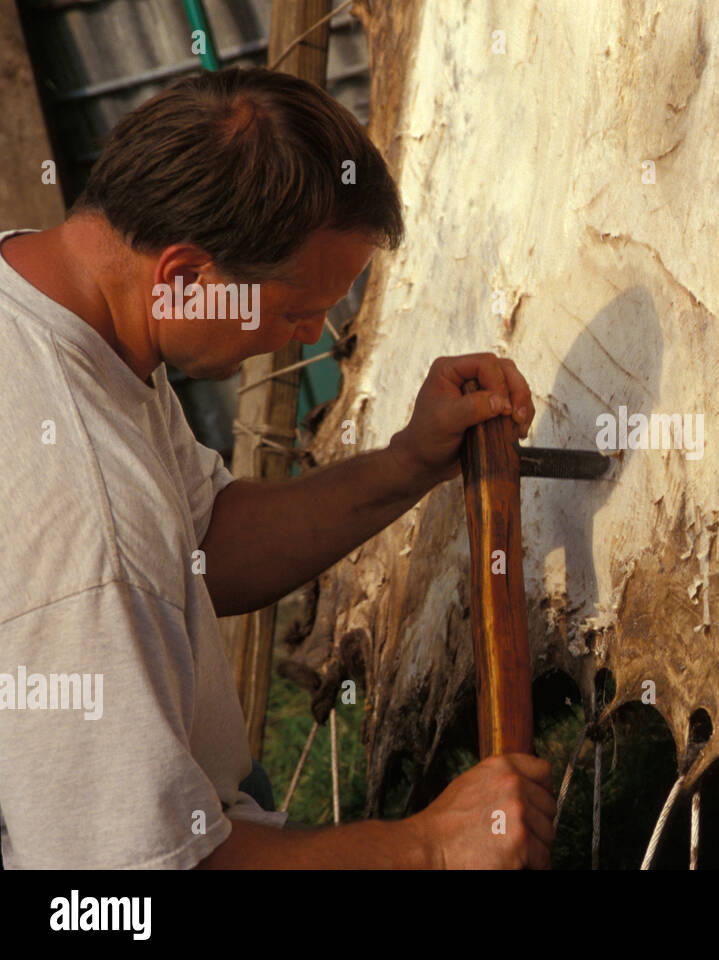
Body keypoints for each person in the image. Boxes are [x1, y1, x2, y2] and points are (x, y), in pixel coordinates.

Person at [0, 66, 555, 869]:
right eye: (296, 309)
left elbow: (204, 544)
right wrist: (429, 847)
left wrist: (408, 463)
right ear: (187, 279)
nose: (309, 336)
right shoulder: (85, 518)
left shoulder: (49, 297)